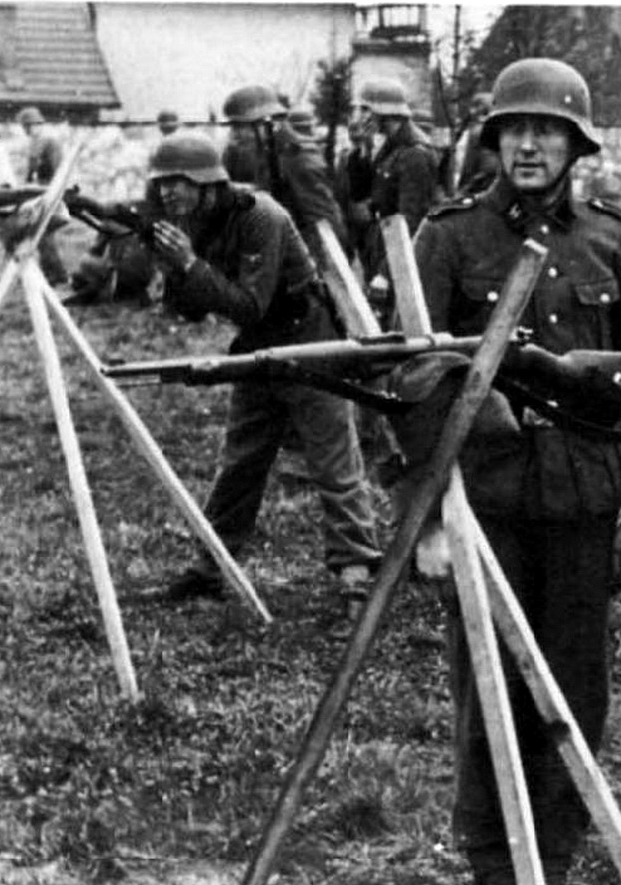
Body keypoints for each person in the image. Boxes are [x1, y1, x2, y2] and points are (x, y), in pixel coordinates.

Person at [412, 58, 621, 885]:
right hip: (482, 500)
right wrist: (427, 521)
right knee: (487, 677)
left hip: (583, 497)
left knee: (574, 680)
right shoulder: (448, 237)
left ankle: (554, 848)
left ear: (576, 145)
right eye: (514, 131)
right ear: (493, 143)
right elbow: (409, 388)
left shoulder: (610, 239)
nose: (529, 146)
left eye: (548, 131)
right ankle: (496, 858)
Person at [146, 133, 382, 611]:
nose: (168, 193)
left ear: (207, 182)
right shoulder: (194, 221)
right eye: (162, 183)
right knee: (241, 461)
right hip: (258, 345)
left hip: (308, 339)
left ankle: (356, 572)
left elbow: (249, 304)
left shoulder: (260, 216)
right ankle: (211, 567)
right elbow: (193, 310)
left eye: (178, 182)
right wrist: (175, 271)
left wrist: (190, 263)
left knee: (332, 459)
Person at [221, 84, 349, 258]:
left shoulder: (299, 158)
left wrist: (311, 269)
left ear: (267, 123)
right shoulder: (267, 152)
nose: (234, 134)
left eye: (239, 126)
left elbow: (324, 226)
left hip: (306, 258)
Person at [347, 77, 439, 318]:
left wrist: (386, 273)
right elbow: (361, 192)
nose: (360, 117)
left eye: (365, 110)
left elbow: (412, 220)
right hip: (382, 245)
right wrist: (362, 147)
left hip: (400, 256)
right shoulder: (392, 148)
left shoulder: (414, 154)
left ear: (382, 111)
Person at [16, 106, 70, 286]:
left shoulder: (50, 143)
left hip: (51, 192)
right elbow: (30, 174)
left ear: (36, 125)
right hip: (39, 192)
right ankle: (51, 274)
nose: (27, 130)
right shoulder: (34, 144)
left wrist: (51, 191)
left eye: (29, 126)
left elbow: (59, 172)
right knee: (39, 234)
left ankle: (58, 275)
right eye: (25, 127)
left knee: (43, 232)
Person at [449, 91, 499, 196]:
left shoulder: (478, 132)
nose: (471, 111)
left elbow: (485, 167)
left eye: (474, 107)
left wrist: (464, 191)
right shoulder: (494, 129)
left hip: (475, 190)